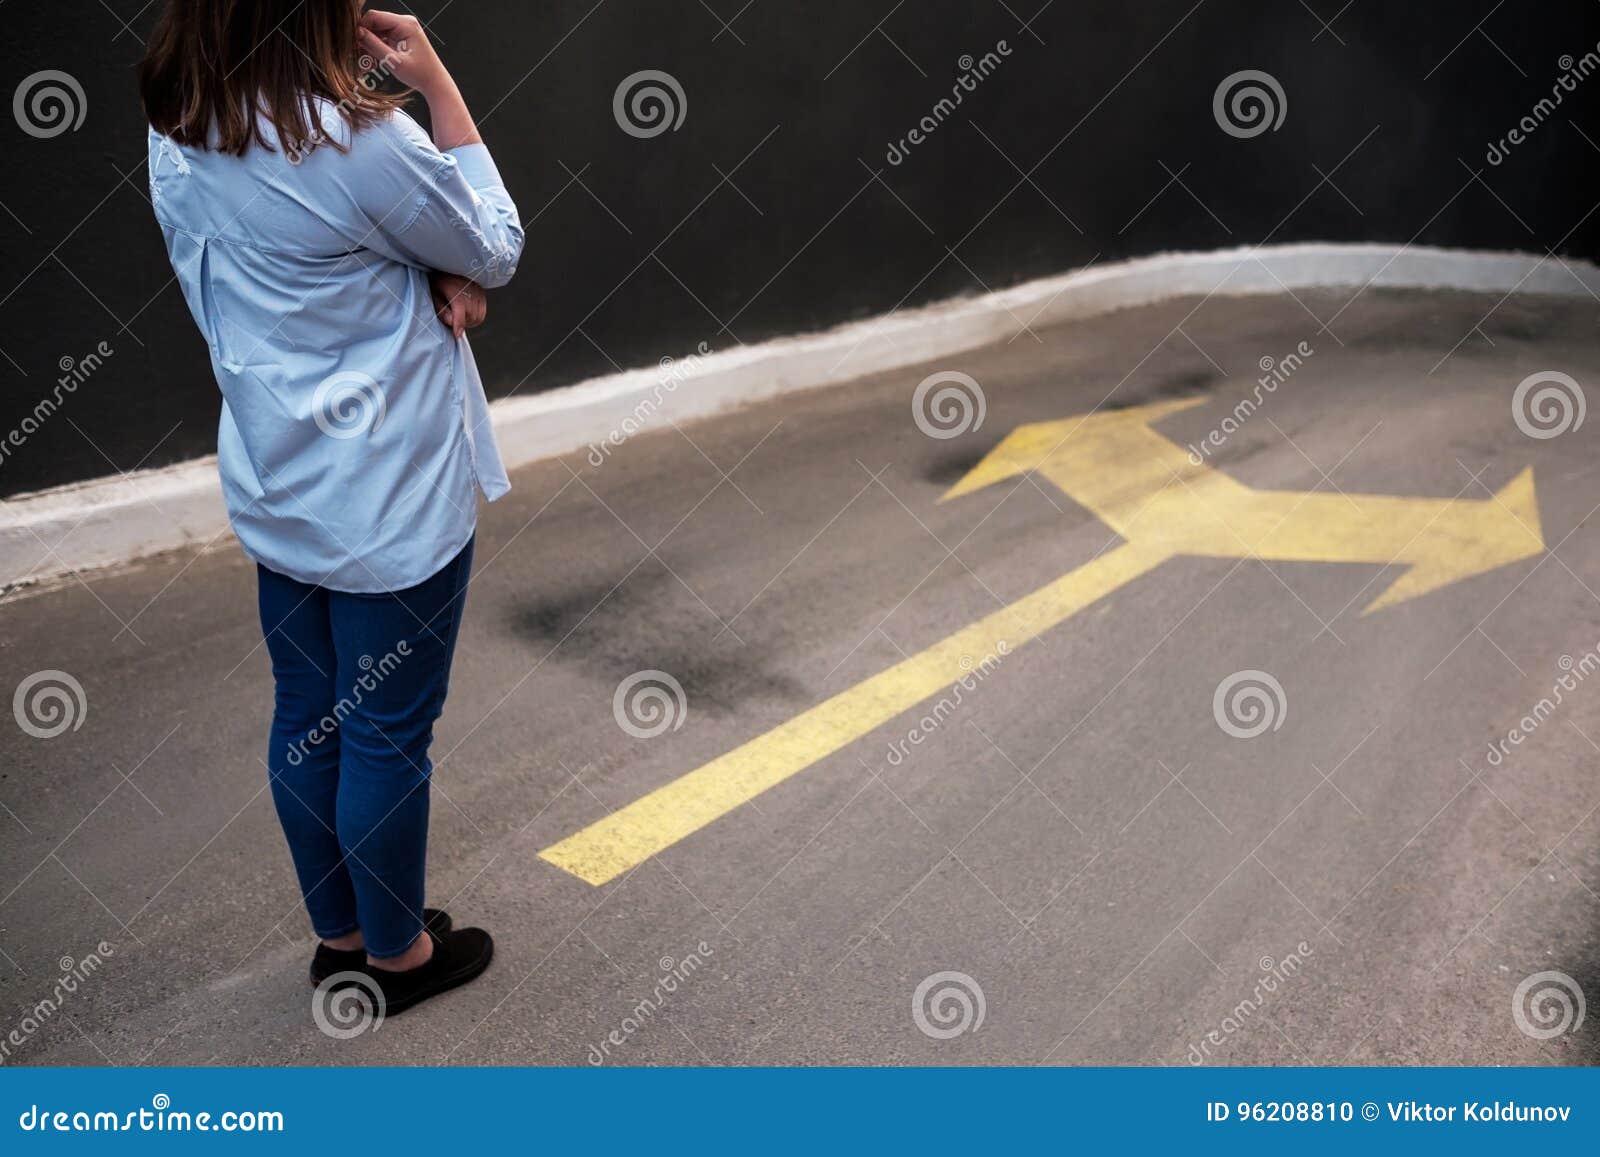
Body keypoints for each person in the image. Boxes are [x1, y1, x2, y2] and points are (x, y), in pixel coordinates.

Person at [139, 1, 524, 1015]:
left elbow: (247, 284)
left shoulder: (177, 128)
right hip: (391, 495)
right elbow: (494, 243)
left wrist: (417, 267)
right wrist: (437, 84)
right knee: (389, 731)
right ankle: (399, 958)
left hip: (277, 472)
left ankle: (340, 935)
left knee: (309, 717)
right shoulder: (363, 141)